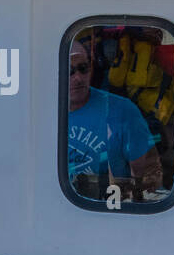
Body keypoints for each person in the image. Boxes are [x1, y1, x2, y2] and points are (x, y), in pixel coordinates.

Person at [67, 40, 162, 199]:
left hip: (109, 212)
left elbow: (150, 176)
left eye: (83, 68)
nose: (78, 78)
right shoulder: (38, 113)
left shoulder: (123, 110)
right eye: (69, 71)